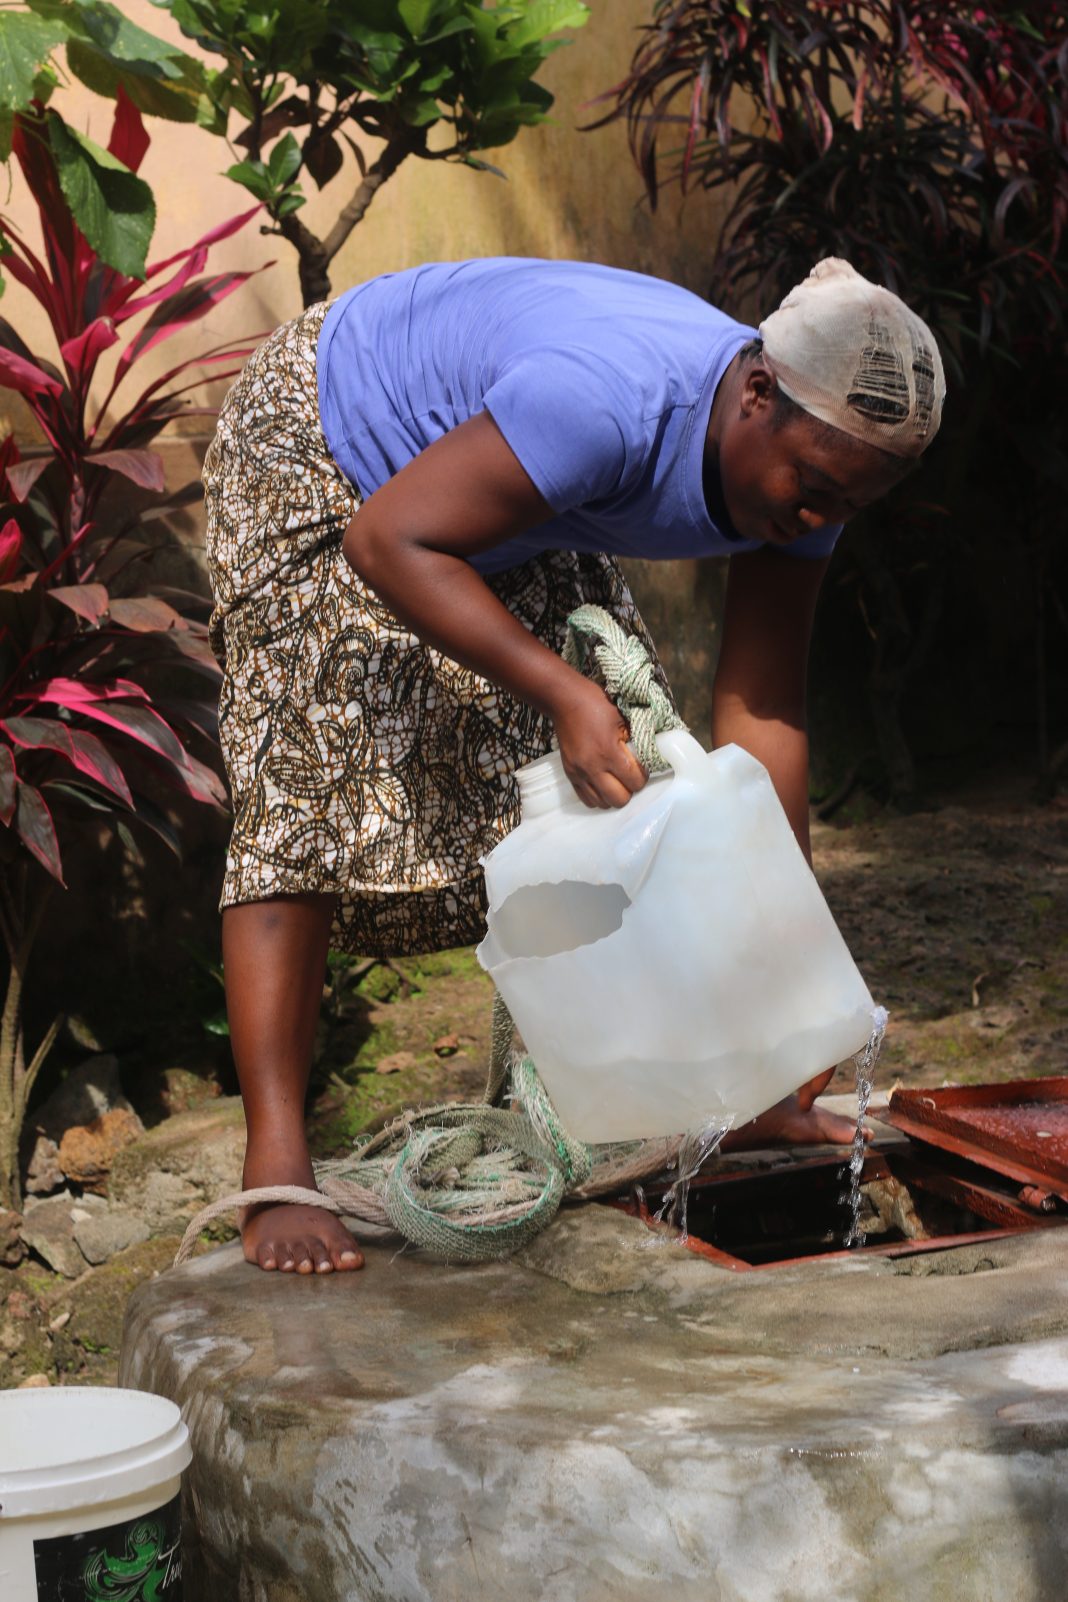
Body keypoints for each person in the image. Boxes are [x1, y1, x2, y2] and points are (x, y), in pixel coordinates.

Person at [203, 255, 945, 1276]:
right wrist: (560, 691)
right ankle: (277, 1162)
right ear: (758, 393)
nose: (816, 522)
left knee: (617, 790)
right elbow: (390, 537)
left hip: (489, 482)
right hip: (334, 438)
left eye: (845, 505)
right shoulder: (608, 402)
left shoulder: (807, 471)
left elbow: (762, 712)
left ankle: (611, 1104)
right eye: (811, 491)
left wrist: (782, 1028)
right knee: (310, 767)